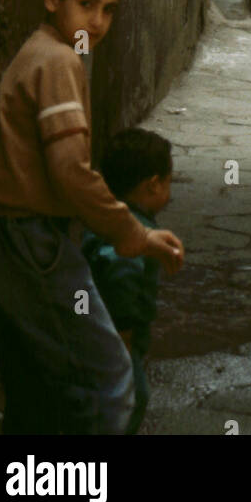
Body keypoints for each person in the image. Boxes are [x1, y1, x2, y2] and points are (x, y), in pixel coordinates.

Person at [0, 0, 185, 435]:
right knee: (109, 379)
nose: (100, 23)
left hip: (2, 234)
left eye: (109, 9)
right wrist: (134, 233)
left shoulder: (45, 51)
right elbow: (70, 171)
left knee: (34, 383)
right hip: (27, 241)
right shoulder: (59, 60)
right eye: (86, 4)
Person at [82, 128, 173, 435]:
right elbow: (120, 271)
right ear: (153, 185)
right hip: (115, 338)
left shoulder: (102, 221)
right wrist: (124, 329)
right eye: (169, 182)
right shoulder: (134, 233)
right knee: (129, 398)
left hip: (95, 332)